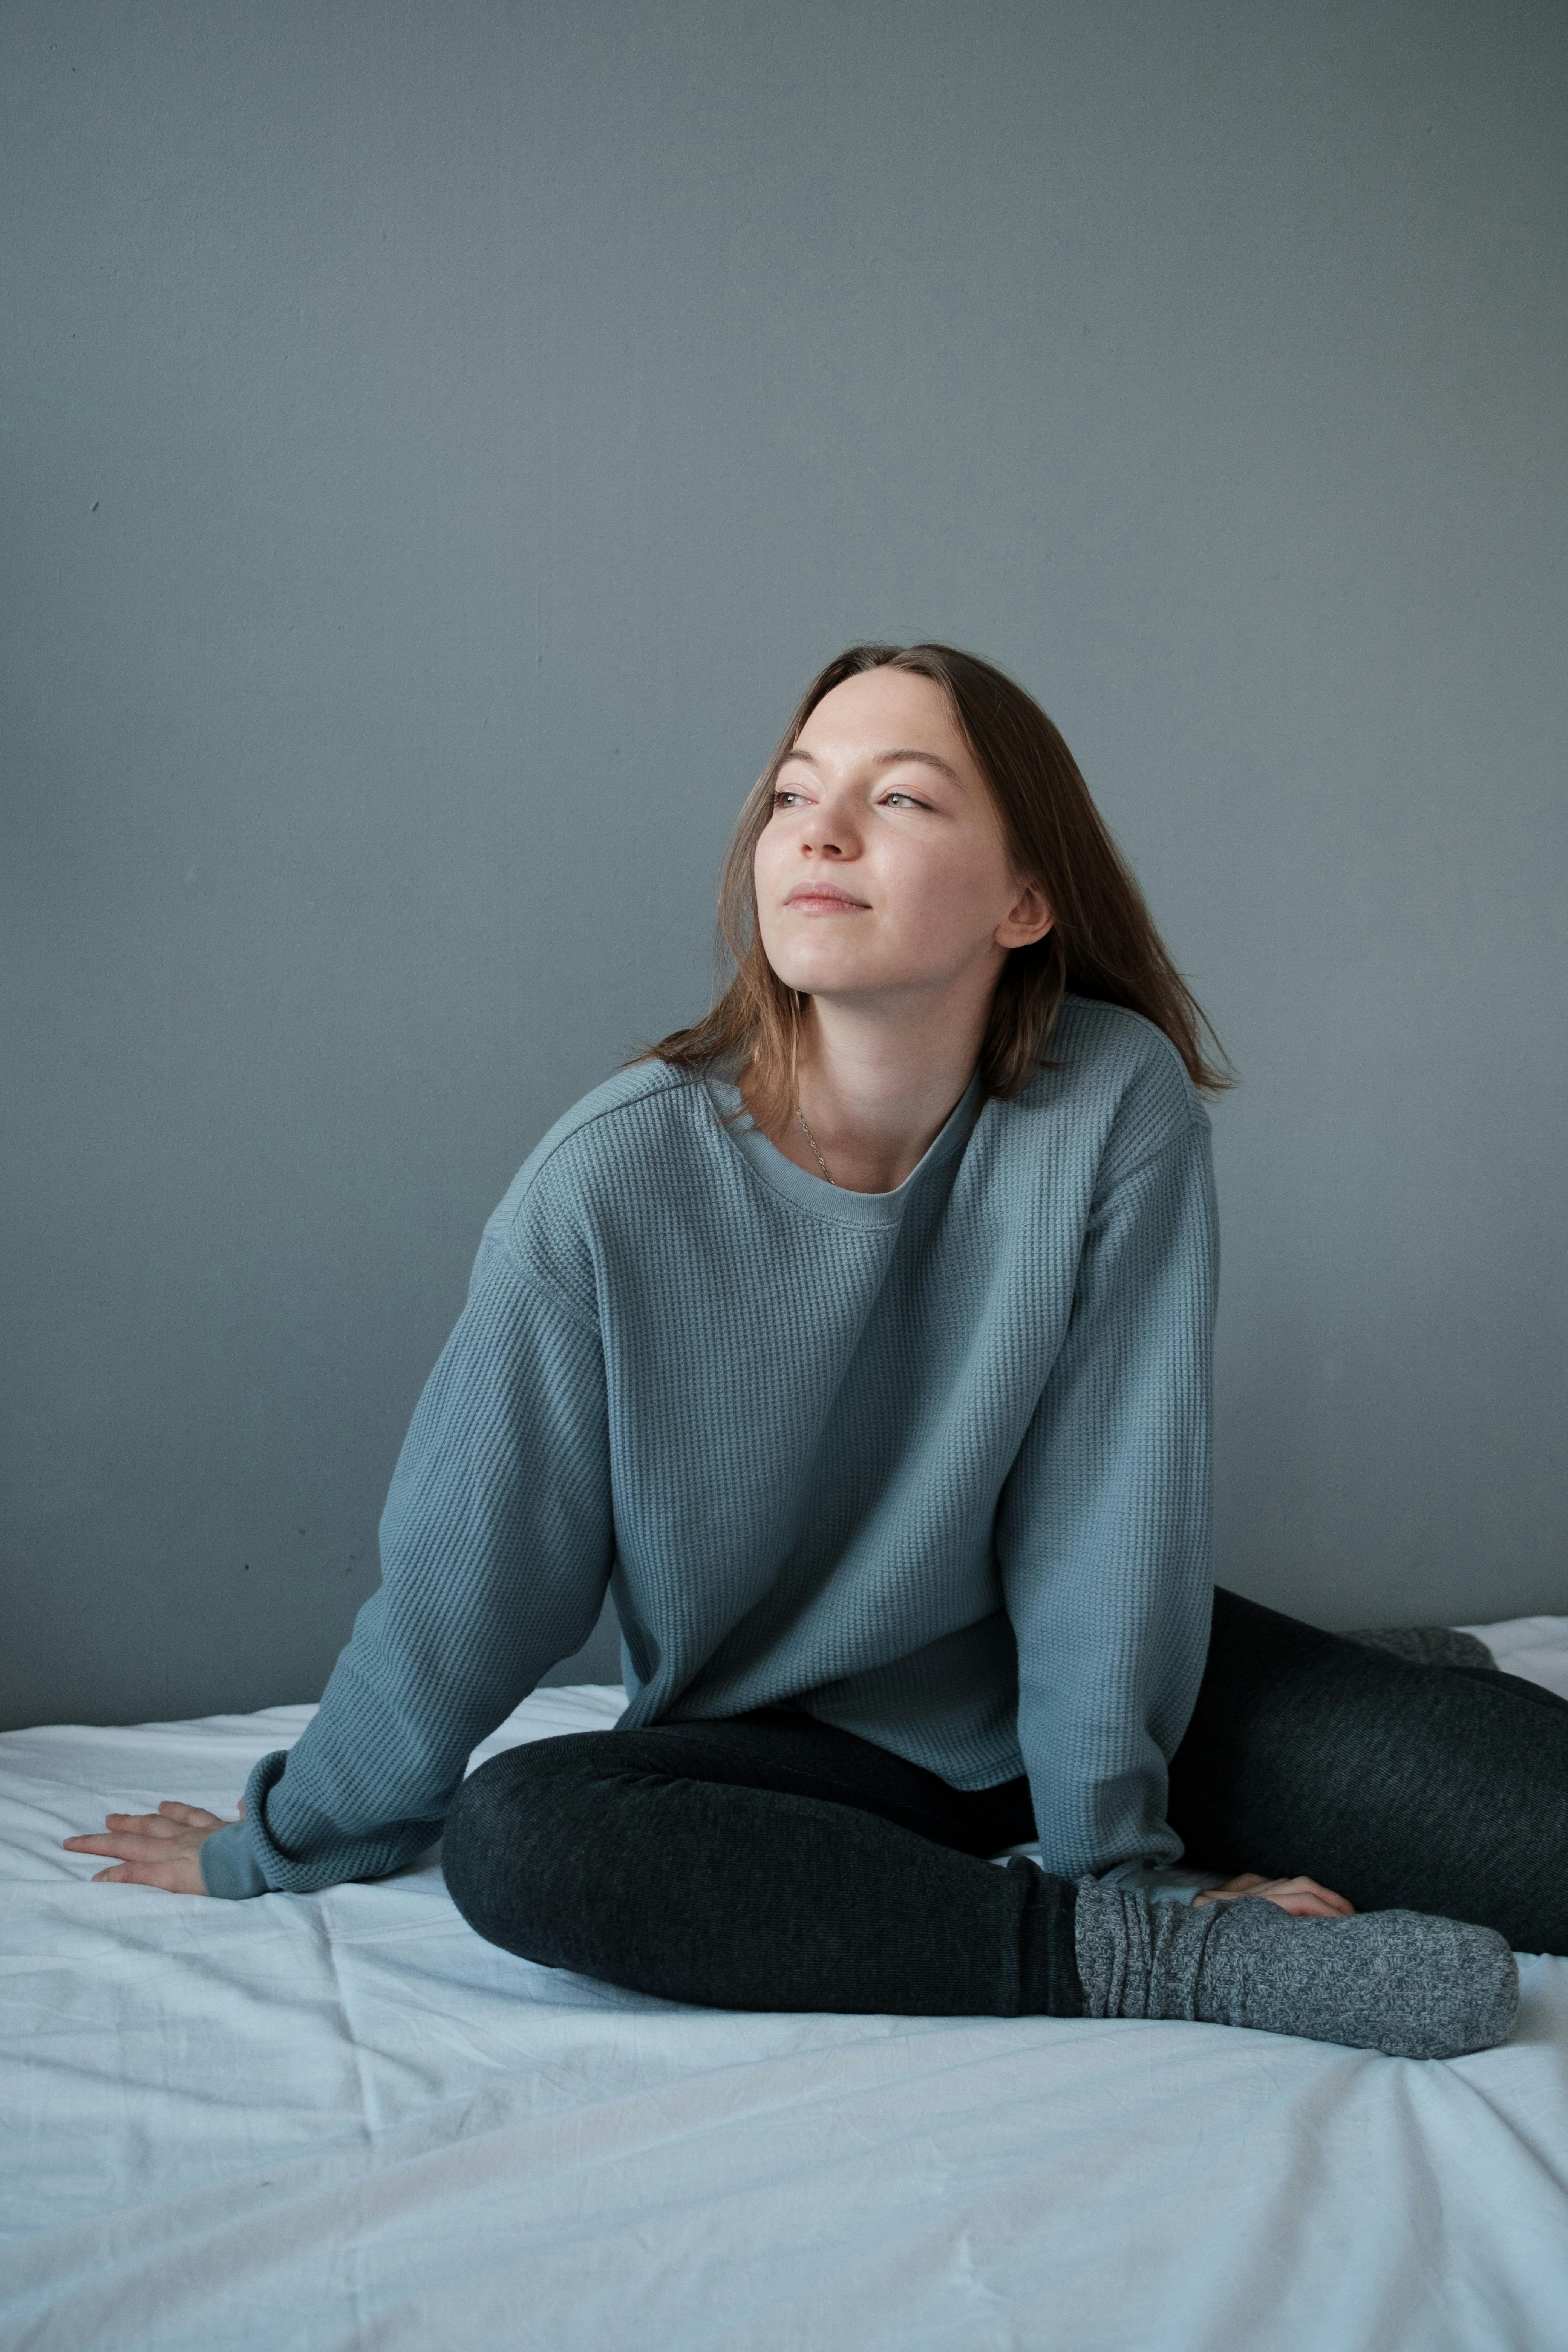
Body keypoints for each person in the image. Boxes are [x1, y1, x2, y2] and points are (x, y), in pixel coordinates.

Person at [68, 644, 1563, 2059]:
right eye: (794, 793)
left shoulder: (1114, 1104)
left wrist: (1111, 1840)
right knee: (524, 1839)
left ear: (1025, 900)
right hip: (795, 1749)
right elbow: (476, 1575)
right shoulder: (609, 1185)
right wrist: (298, 1834)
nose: (819, 830)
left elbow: (1107, 1520)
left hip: (1091, 1688)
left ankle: (1356, 1706)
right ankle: (1142, 1964)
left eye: (898, 798)